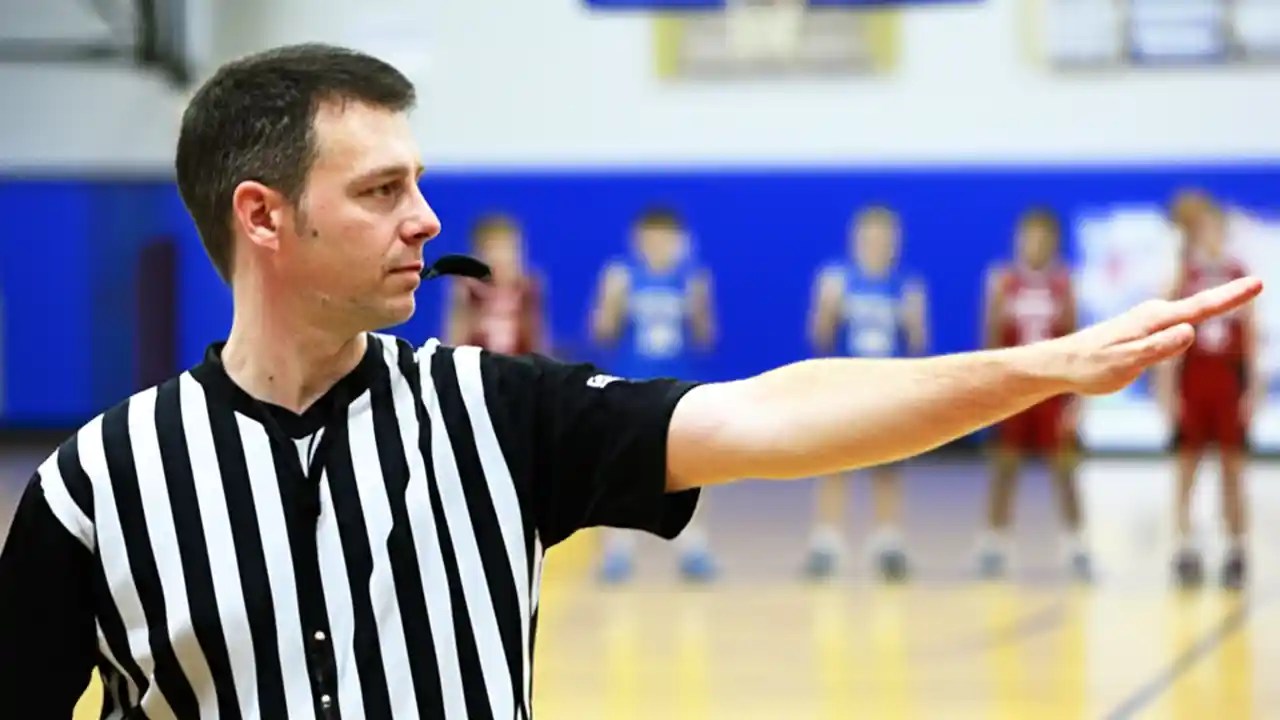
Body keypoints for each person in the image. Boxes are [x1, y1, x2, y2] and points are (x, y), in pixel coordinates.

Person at [0, 43, 1262, 720]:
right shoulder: (96, 487)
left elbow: (768, 412)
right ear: (263, 218)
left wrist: (1039, 366)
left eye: (421, 183)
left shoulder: (492, 413)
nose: (427, 221)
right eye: (381, 193)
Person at [589, 207, 718, 583]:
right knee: (622, 469)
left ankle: (693, 547)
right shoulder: (621, 276)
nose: (658, 246)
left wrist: (696, 306)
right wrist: (614, 304)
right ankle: (618, 550)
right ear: (637, 240)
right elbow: (601, 332)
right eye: (651, 238)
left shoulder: (691, 278)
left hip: (678, 387)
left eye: (666, 239)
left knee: (691, 465)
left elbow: (706, 337)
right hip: (630, 385)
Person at [804, 206, 927, 581]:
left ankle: (888, 541)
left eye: (884, 238)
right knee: (833, 463)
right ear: (856, 240)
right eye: (870, 237)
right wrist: (828, 309)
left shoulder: (905, 285)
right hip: (845, 386)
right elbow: (819, 337)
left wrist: (913, 320)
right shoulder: (838, 280)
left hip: (887, 388)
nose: (877, 245)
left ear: (895, 242)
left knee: (887, 467)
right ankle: (826, 541)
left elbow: (919, 344)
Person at [976, 207, 1092, 581]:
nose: (1033, 245)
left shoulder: (1063, 283)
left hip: (1052, 390)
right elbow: (990, 338)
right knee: (1005, 466)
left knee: (1064, 469)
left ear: (1054, 242)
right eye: (1027, 237)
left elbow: (1076, 339)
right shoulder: (1003, 280)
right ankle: (995, 543)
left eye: (1041, 238)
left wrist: (1078, 396)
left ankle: (1077, 545)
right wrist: (988, 388)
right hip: (1013, 387)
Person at [1155, 192, 1258, 590]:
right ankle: (1185, 547)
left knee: (1232, 472)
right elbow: (1168, 339)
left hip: (1228, 385)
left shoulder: (1238, 274)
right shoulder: (1184, 277)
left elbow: (1250, 339)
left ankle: (1236, 549)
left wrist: (1254, 392)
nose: (1210, 236)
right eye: (1203, 230)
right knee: (1187, 472)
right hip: (1193, 385)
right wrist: (1167, 393)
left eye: (1216, 229)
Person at [444, 212, 547, 355]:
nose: (500, 257)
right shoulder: (467, 287)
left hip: (519, 366)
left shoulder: (528, 286)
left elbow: (537, 334)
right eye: (492, 250)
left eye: (508, 249)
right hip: (477, 366)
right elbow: (456, 333)